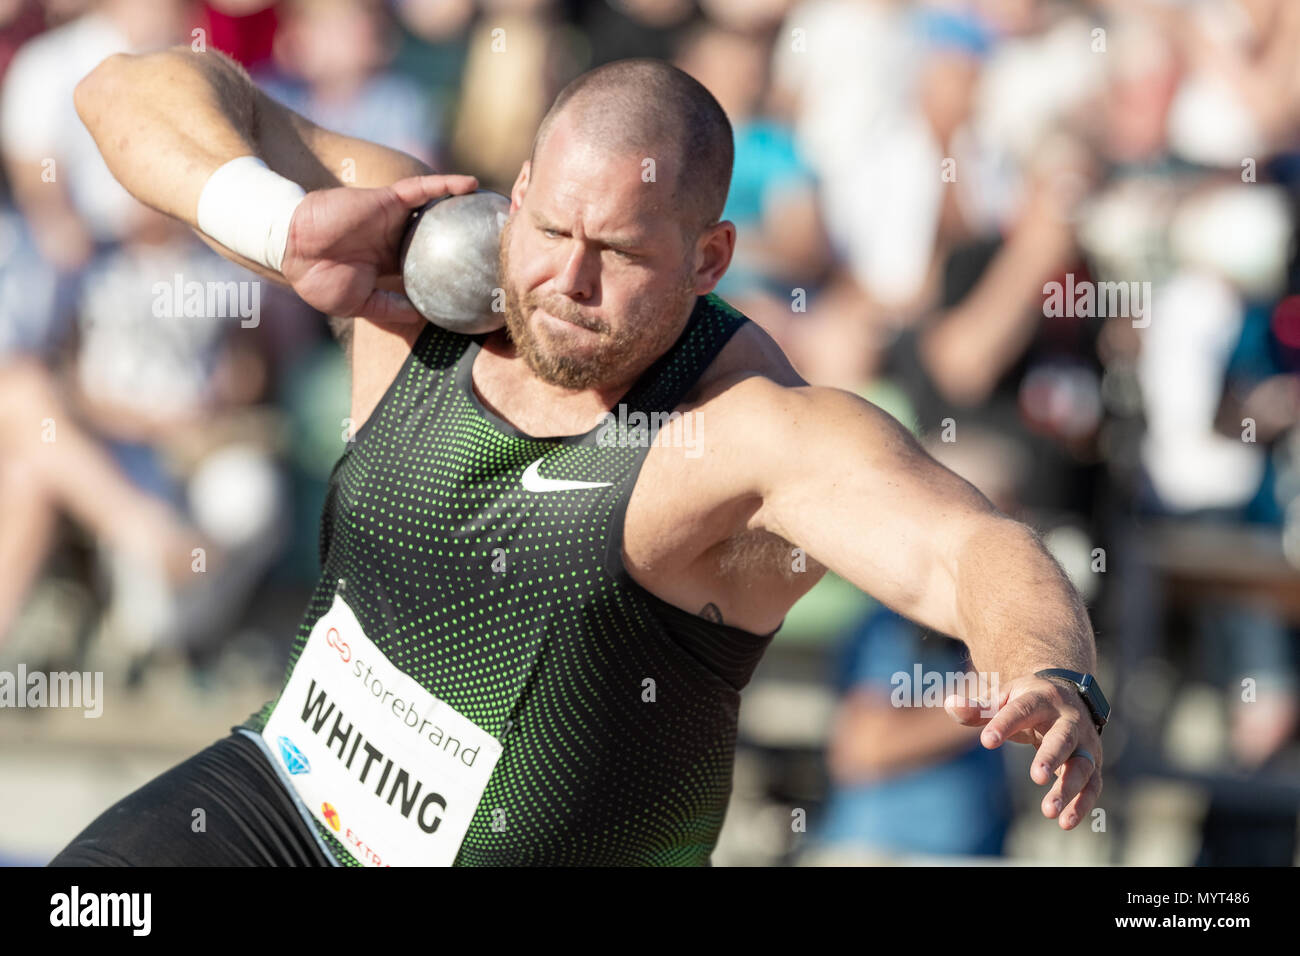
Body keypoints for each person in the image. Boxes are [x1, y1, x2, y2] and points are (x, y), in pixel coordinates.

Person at [51, 48, 1107, 867]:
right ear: (515, 197)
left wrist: (1047, 673)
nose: (565, 277)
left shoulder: (746, 431)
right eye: (549, 228)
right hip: (284, 797)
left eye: (621, 253)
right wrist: (278, 222)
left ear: (709, 258)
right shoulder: (410, 260)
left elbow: (973, 548)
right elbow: (123, 89)